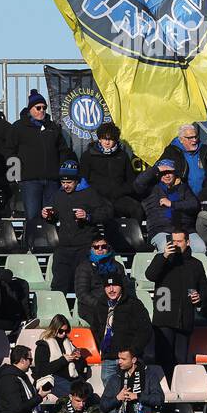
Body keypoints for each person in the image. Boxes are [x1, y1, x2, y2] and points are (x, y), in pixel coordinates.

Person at [42, 159, 113, 293]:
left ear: (77, 180)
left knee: (84, 285)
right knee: (58, 284)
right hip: (64, 247)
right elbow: (55, 215)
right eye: (63, 182)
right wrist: (48, 215)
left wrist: (87, 216)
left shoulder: (90, 193)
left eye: (69, 182)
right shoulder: (59, 194)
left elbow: (106, 213)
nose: (65, 186)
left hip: (84, 247)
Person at [145, 228, 207, 375]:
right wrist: (164, 256)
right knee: (163, 360)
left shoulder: (196, 264)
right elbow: (150, 275)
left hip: (185, 320)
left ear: (188, 242)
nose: (176, 244)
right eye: (173, 241)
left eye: (179, 241)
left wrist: (200, 298)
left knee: (181, 361)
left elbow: (204, 288)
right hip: (164, 318)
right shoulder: (163, 259)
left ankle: (179, 391)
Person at [12, 90, 72, 229]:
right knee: (32, 215)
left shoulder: (53, 127)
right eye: (38, 108)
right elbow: (10, 151)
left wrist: (61, 174)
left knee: (51, 215)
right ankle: (32, 243)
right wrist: (14, 176)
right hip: (29, 180)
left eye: (44, 108)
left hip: (52, 180)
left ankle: (49, 243)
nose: (41, 110)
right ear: (30, 109)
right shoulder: (18, 127)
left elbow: (63, 150)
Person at [87, 274, 152, 385]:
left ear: (121, 287)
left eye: (115, 286)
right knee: (110, 396)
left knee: (131, 394)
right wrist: (102, 346)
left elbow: (145, 330)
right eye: (108, 286)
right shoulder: (100, 304)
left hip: (129, 359)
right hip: (108, 359)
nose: (111, 290)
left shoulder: (134, 304)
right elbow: (96, 328)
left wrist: (132, 352)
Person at [100, 348, 166, 413]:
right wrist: (117, 398)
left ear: (134, 359)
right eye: (119, 358)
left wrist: (138, 396)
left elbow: (159, 399)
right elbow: (103, 405)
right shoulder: (115, 379)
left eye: (123, 359)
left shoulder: (149, 376)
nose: (119, 361)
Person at [79, 122, 143, 220]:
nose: (107, 142)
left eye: (111, 139)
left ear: (116, 140)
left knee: (137, 209)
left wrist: (121, 191)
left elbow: (131, 180)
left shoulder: (122, 155)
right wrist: (96, 194)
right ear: (99, 139)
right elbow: (83, 181)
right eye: (105, 138)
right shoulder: (88, 156)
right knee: (107, 211)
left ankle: (132, 234)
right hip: (97, 198)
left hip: (118, 197)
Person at [136, 159, 203, 251]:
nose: (167, 175)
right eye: (164, 172)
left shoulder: (183, 188)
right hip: (161, 230)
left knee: (200, 248)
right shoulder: (151, 188)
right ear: (158, 174)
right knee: (168, 248)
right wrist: (156, 169)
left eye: (170, 172)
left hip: (185, 230)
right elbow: (138, 183)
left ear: (175, 174)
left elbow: (194, 204)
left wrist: (172, 204)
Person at [158, 122, 207, 199]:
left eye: (195, 137)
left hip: (205, 198)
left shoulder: (206, 151)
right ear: (181, 139)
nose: (194, 140)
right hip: (182, 199)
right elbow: (161, 173)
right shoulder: (171, 152)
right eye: (190, 138)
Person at [73, 233, 124, 326]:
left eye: (103, 246)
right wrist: (101, 304)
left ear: (108, 247)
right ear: (91, 249)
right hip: (91, 307)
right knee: (103, 323)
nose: (100, 249)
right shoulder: (84, 267)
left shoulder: (117, 266)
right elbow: (82, 293)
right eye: (96, 247)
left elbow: (124, 288)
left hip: (115, 305)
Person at [33, 314, 90, 397]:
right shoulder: (43, 345)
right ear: (54, 329)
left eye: (66, 331)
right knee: (78, 393)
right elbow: (41, 370)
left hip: (71, 379)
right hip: (54, 380)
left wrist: (79, 359)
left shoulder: (68, 343)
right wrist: (63, 360)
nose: (63, 334)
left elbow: (80, 367)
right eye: (61, 331)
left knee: (89, 390)